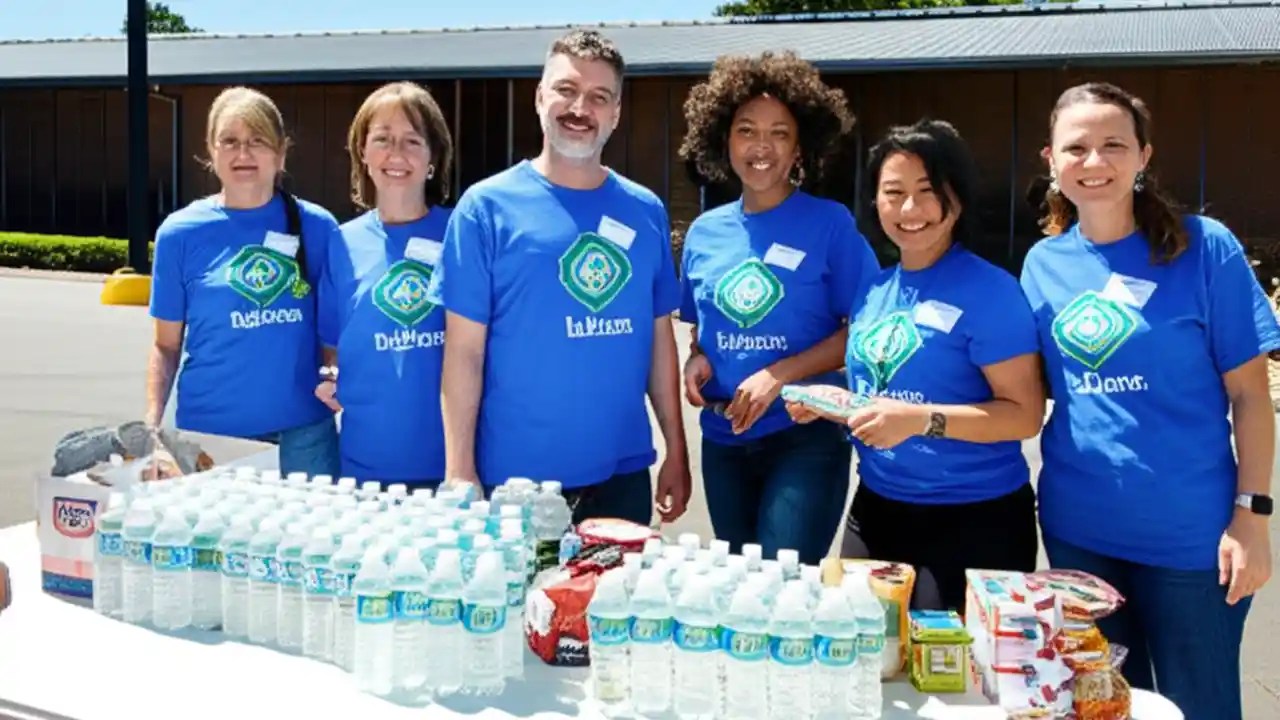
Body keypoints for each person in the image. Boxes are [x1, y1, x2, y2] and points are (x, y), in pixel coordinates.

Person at [1019, 82, 1278, 720]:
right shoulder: (1041, 265)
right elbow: (1023, 390)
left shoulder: (1203, 247)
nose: (1095, 161)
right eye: (1076, 147)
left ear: (1144, 156)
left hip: (1194, 542)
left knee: (1201, 707)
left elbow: (1249, 394)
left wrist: (1252, 517)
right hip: (1079, 533)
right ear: (1051, 161)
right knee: (1099, 708)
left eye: (1114, 145)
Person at [426, 29, 691, 525]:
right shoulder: (485, 209)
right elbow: (463, 351)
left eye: (598, 97)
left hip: (622, 477)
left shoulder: (645, 210)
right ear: (539, 97)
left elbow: (658, 340)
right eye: (566, 90)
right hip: (516, 483)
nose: (579, 108)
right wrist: (459, 469)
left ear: (615, 113)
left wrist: (676, 447)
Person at [785, 119, 1045, 610]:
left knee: (955, 679)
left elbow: (1023, 414)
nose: (909, 209)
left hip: (973, 519)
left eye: (927, 191)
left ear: (958, 198)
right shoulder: (875, 289)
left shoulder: (992, 292)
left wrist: (918, 421)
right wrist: (840, 404)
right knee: (866, 659)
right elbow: (890, 391)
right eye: (893, 192)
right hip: (877, 508)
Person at [676, 51, 878, 564]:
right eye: (746, 130)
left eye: (779, 133)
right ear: (725, 138)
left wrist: (780, 375)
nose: (761, 147)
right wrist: (696, 357)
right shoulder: (704, 233)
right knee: (740, 586)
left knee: (781, 583)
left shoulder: (830, 225)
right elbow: (702, 329)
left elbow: (867, 331)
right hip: (723, 439)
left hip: (803, 436)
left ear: (800, 147)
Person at [146, 86, 341, 477]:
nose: (243, 154)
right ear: (211, 151)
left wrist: (338, 376)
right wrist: (150, 427)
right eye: (230, 141)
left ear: (281, 153)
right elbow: (165, 346)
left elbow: (333, 335)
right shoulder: (180, 234)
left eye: (257, 141)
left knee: (306, 538)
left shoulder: (319, 228)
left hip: (303, 438)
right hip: (212, 435)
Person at [316, 82, 454, 488]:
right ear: (363, 151)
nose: (397, 154)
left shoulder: (464, 234)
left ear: (433, 157)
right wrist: (330, 377)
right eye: (382, 139)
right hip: (367, 470)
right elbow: (332, 345)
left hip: (456, 467)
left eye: (413, 141)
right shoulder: (341, 243)